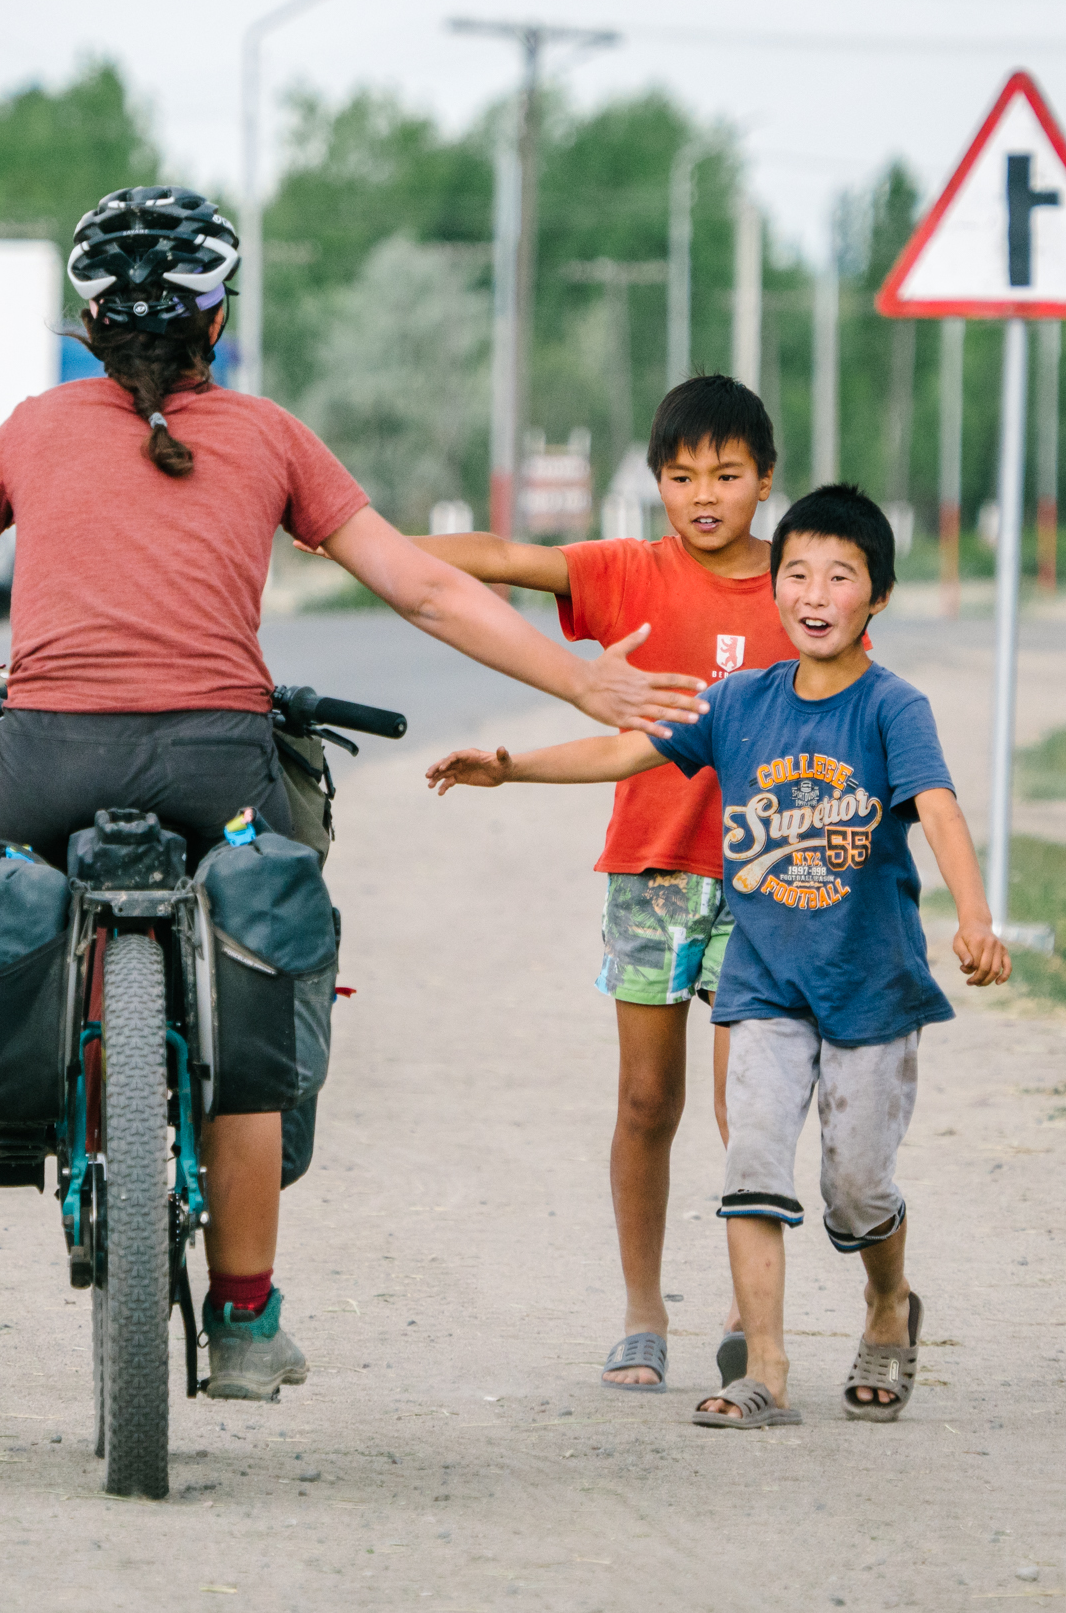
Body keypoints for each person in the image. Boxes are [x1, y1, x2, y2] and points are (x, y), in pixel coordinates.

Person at [0, 186, 705, 1403]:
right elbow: (422, 588)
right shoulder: (270, 433)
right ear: (218, 317)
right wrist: (578, 680)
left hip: (45, 759)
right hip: (221, 765)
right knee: (252, 959)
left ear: (89, 321)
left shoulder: (31, 430)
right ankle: (246, 1321)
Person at [424, 484, 1012, 1429]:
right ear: (775, 591)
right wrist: (512, 766)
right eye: (798, 575)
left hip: (868, 987)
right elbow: (628, 751)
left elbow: (936, 807)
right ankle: (766, 1370)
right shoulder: (739, 703)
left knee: (855, 1189)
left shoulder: (893, 708)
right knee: (753, 1162)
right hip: (765, 984)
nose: (815, 593)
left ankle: (888, 1304)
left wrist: (975, 917)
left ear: (878, 598)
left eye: (841, 576)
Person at [397, 375, 794, 1394]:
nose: (704, 495)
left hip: (769, 880)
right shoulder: (627, 570)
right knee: (645, 1099)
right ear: (656, 482)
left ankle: (753, 1309)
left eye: (728, 475)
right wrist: (359, 545)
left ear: (765, 479)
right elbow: (496, 558)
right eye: (680, 475)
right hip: (653, 870)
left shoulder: (802, 585)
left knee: (743, 1109)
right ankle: (640, 1309)